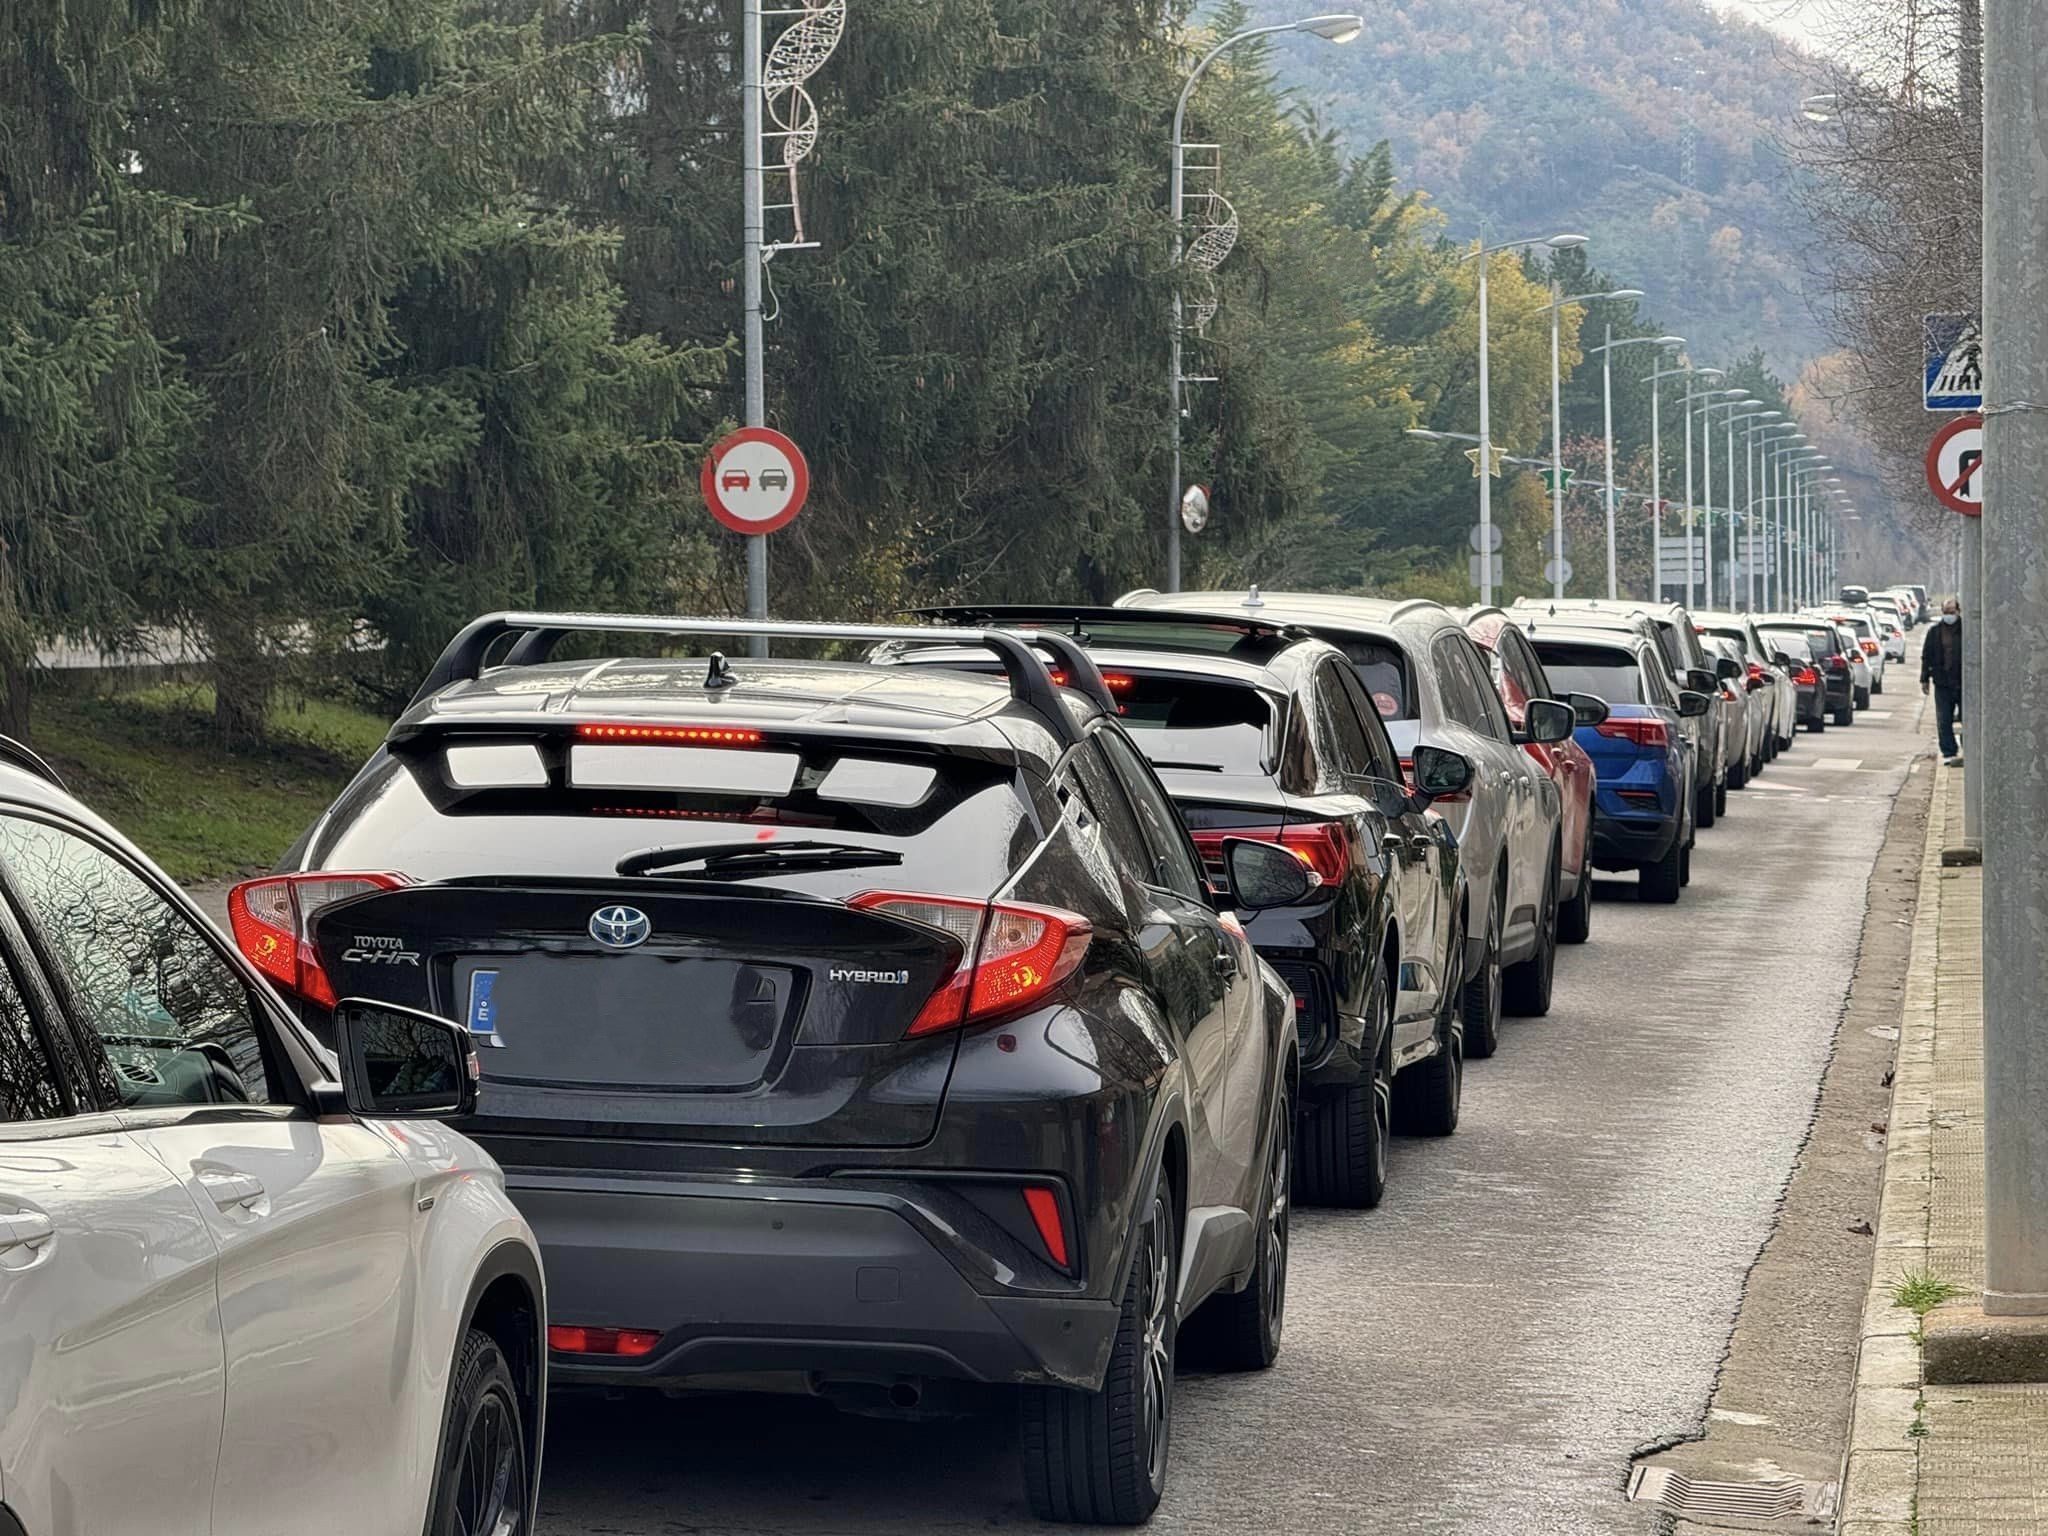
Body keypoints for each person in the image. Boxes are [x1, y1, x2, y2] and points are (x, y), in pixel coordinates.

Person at [1922, 597, 1964, 765]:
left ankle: (1969, 747)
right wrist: (1924, 678)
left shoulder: (1966, 630)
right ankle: (1949, 752)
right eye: (1946, 612)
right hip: (1942, 682)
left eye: (1951, 612)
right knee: (1944, 719)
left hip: (1964, 682)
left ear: (1958, 612)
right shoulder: (1935, 632)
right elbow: (1927, 656)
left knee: (1968, 717)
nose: (1949, 615)